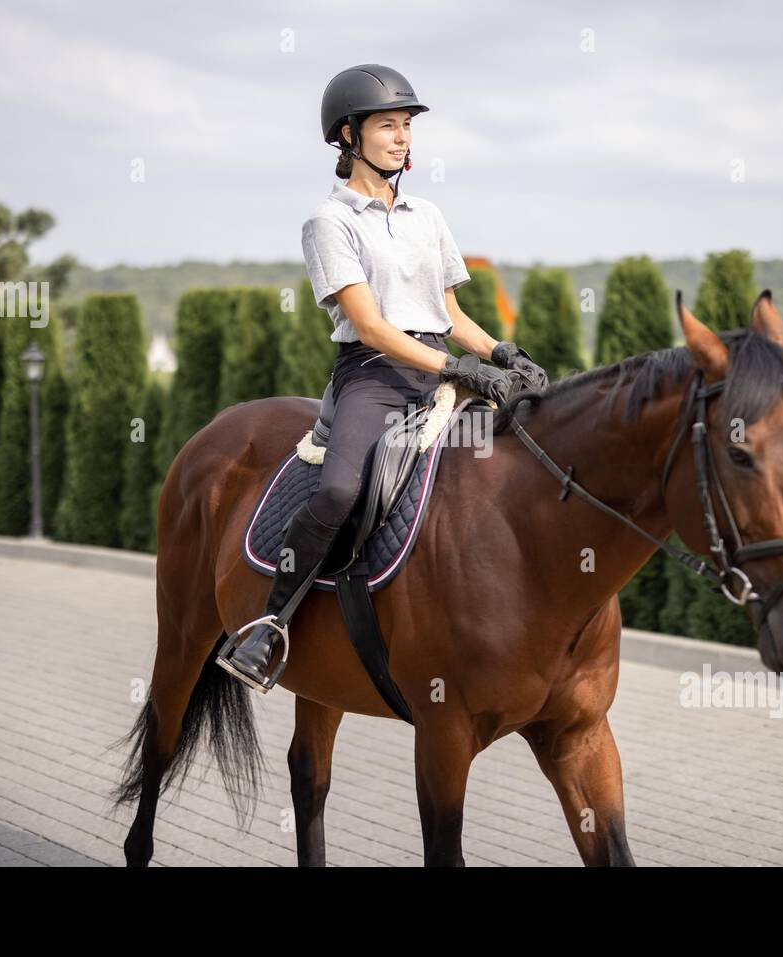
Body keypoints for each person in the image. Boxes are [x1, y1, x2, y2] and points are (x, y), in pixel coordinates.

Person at [216, 64, 549, 693]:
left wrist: (505, 354)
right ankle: (268, 626)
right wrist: (457, 367)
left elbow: (448, 313)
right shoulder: (330, 221)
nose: (402, 138)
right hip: (373, 375)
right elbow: (368, 326)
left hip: (436, 363)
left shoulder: (427, 215)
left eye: (406, 127)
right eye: (388, 126)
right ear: (348, 135)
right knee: (340, 490)